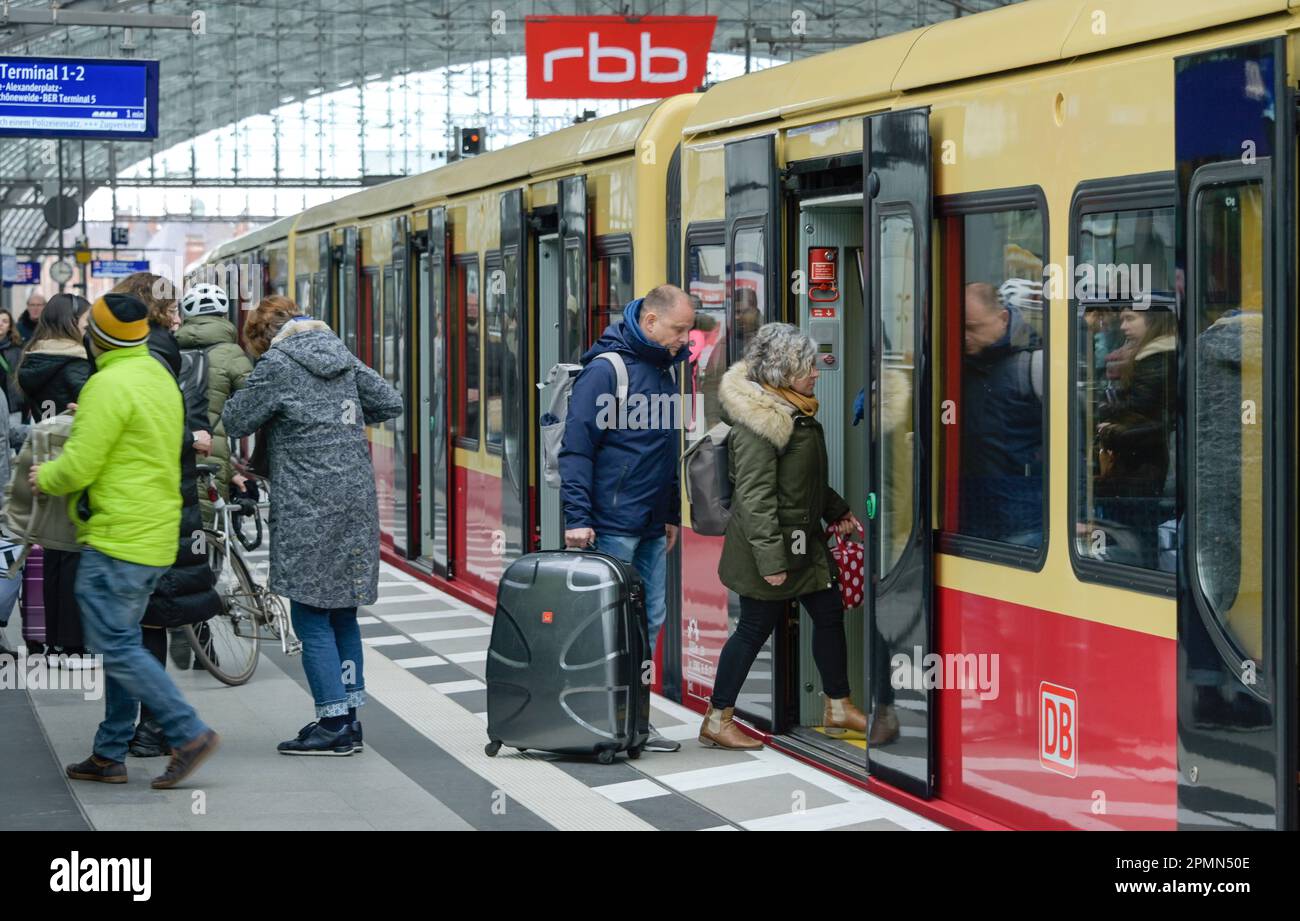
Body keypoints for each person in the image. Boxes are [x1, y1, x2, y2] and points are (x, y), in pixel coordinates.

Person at [32, 292, 219, 788]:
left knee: (113, 641)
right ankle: (109, 750)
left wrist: (44, 477)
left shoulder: (106, 384)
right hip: (157, 532)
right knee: (124, 638)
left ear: (97, 337)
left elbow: (79, 466)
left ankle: (188, 730)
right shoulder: (157, 375)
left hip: (118, 536)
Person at [223, 297, 402, 756]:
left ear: (262, 338)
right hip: (356, 500)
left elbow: (235, 419)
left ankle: (332, 722)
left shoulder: (277, 364)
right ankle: (349, 720)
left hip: (308, 503)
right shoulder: (340, 354)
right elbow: (389, 401)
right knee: (343, 610)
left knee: (309, 611)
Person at [701, 323, 869, 749]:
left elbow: (802, 481)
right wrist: (771, 561)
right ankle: (718, 718)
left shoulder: (795, 411)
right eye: (806, 366)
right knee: (754, 627)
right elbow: (756, 498)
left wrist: (838, 511)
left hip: (803, 543)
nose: (816, 373)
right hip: (772, 546)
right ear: (781, 372)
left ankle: (836, 704)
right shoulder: (762, 423)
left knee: (829, 614)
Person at [559, 284, 695, 754]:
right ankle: (603, 718)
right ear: (652, 322)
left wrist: (672, 513)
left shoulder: (663, 370)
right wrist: (577, 518)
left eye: (689, 330)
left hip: (653, 524)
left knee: (649, 620)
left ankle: (635, 716)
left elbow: (665, 448)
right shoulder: (606, 370)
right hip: (612, 524)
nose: (685, 339)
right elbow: (576, 449)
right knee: (612, 626)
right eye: (679, 329)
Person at [111, 273, 221, 757]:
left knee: (139, 622)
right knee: (149, 620)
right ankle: (148, 729)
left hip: (146, 502)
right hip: (170, 500)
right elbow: (190, 429)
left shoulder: (145, 355)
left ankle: (158, 729)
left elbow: (153, 431)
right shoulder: (172, 355)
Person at [15, 293, 92, 661]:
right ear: (70, 321)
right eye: (85, 320)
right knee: (73, 551)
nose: (89, 327)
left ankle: (54, 641)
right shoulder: (76, 363)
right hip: (72, 457)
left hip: (40, 454)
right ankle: (73, 643)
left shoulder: (32, 358)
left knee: (52, 552)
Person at [959, 281, 1043, 546]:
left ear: (1002, 318)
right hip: (970, 520)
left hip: (1025, 519)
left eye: (972, 328)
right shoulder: (954, 366)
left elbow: (1070, 446)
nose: (964, 337)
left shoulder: (1031, 365)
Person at [1093, 306, 1177, 568]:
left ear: (1153, 320)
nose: (1124, 327)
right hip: (1147, 466)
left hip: (1144, 468)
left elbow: (1150, 421)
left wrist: (1108, 431)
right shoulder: (1155, 355)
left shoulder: (1156, 359)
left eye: (1131, 319)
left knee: (1137, 537)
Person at [175, 283, 253, 525]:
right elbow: (255, 402)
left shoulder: (168, 351)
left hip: (171, 455)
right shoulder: (231, 353)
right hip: (211, 458)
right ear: (223, 316)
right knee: (207, 531)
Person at [0, 309, 24, 422]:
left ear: (10, 326)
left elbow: (22, 378)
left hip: (12, 406)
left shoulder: (17, 350)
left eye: (4, 321)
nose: (0, 324)